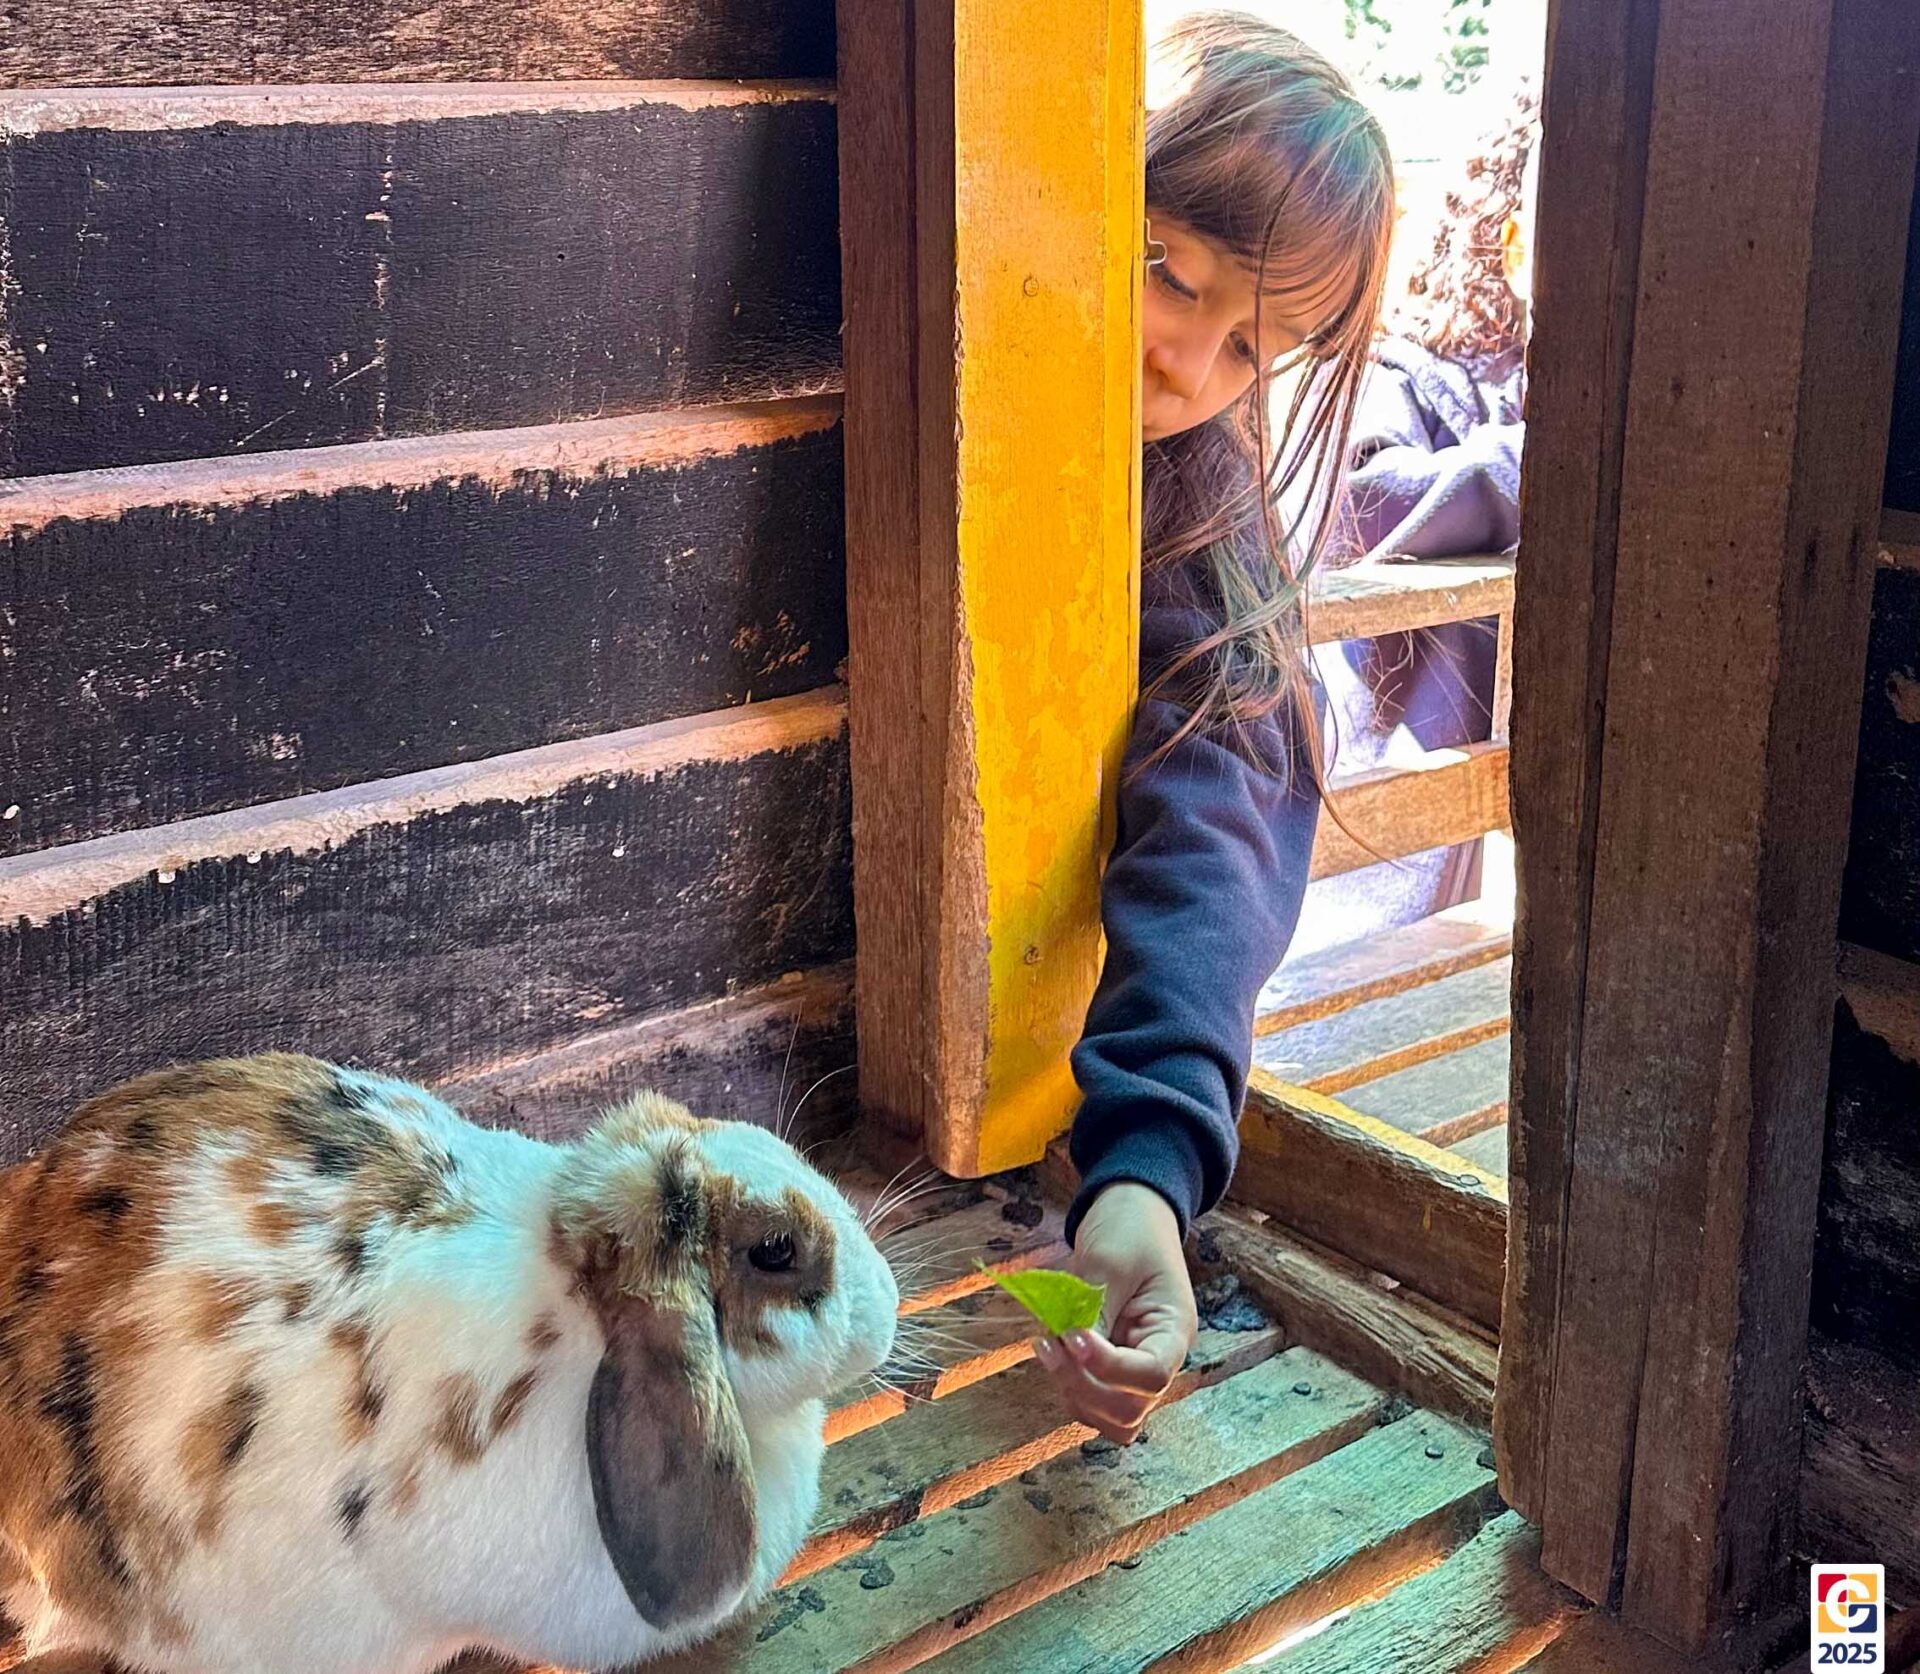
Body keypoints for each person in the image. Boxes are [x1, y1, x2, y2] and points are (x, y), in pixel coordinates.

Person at [1033, 13, 1396, 1442]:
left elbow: (1222, 801)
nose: (1187, 365)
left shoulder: (1200, 506)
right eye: (1167, 273)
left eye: (1254, 344)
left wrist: (1144, 1172)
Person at [1300, 86, 1538, 943]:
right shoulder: (1406, 373)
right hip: (1381, 877)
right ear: (1512, 241)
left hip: (1498, 885)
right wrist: (1551, 461)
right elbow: (1358, 502)